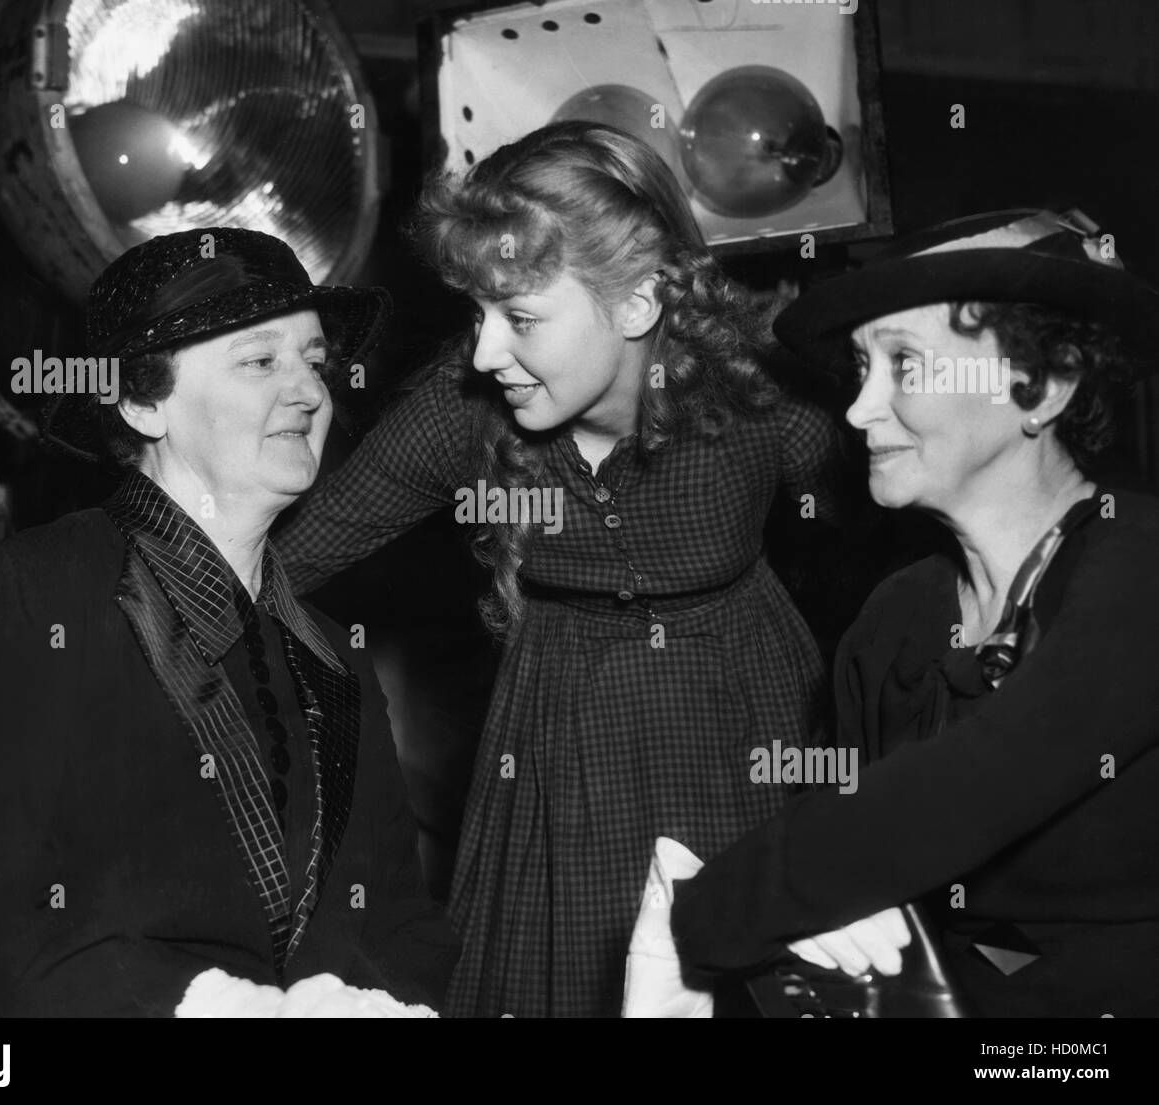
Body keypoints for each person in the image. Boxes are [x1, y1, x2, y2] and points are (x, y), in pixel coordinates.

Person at [271, 122, 845, 1017]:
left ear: (637, 304)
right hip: (561, 752)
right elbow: (290, 552)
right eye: (477, 311)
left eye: (522, 316)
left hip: (749, 738)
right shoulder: (462, 411)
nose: (484, 351)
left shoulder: (761, 399)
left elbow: (880, 529)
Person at [0, 228, 459, 1016]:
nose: (311, 392)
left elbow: (395, 924)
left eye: (315, 362)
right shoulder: (25, 595)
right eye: (261, 361)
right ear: (143, 402)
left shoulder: (337, 662)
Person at [670, 208, 1159, 1018]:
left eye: (904, 363)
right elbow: (849, 845)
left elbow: (964, 792)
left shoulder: (1138, 567)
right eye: (862, 366)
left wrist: (698, 918)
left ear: (1047, 382)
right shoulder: (898, 617)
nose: (859, 408)